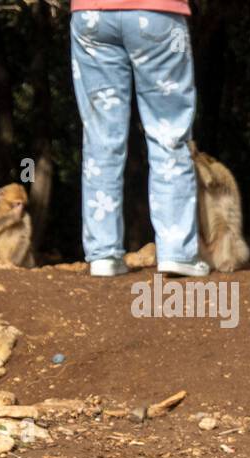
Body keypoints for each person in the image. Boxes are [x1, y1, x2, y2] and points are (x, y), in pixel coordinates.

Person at [69, 1, 208, 277]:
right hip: (157, 13)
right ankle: (176, 251)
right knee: (168, 132)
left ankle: (103, 254)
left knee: (101, 135)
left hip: (91, 15)